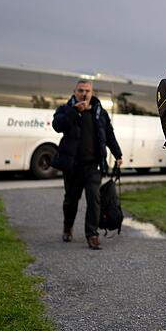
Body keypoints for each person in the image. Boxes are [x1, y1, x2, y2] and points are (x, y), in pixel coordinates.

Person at [51, 79, 123, 250]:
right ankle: (67, 228)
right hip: (73, 166)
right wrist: (74, 112)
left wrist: (118, 154)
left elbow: (109, 135)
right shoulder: (65, 109)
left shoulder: (100, 112)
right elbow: (57, 126)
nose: (84, 94)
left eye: (87, 91)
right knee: (70, 201)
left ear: (92, 93)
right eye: (81, 90)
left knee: (94, 200)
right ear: (75, 92)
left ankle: (92, 235)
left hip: (93, 166)